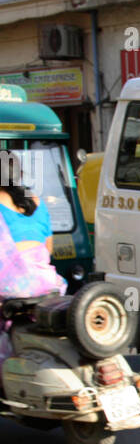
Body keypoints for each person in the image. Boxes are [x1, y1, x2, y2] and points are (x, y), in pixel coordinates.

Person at [0, 155, 67, 365]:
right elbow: (49, 249)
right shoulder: (36, 199)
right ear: (18, 174)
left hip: (13, 286)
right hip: (48, 283)